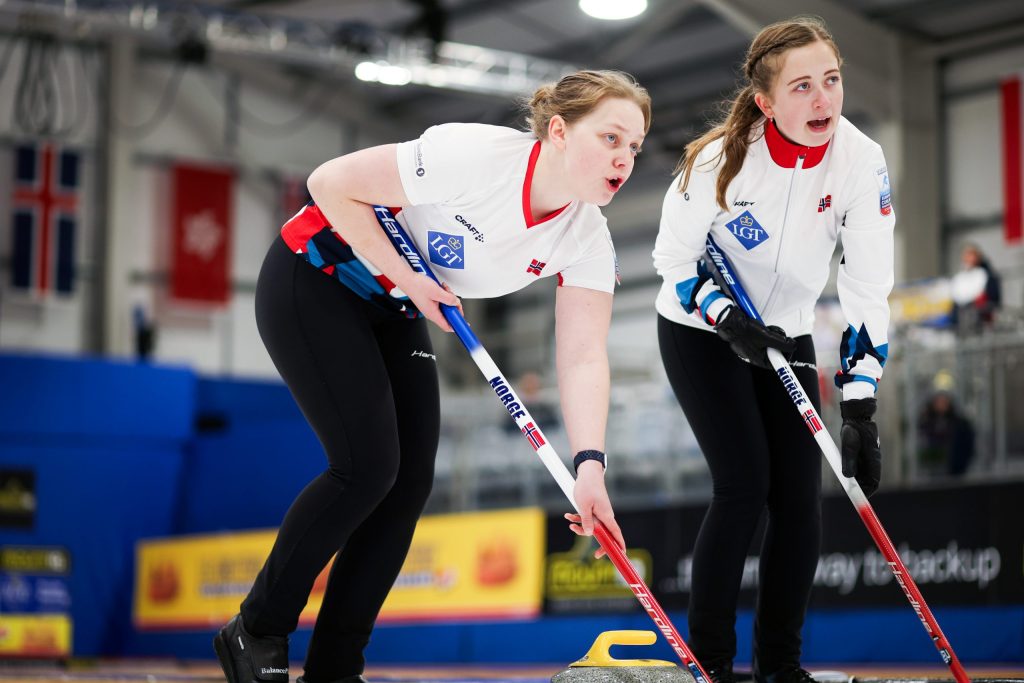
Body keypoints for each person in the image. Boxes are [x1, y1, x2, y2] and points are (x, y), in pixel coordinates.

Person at [213, 70, 650, 683]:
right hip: (316, 274)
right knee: (367, 467)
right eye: (611, 138)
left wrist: (590, 467)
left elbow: (582, 357)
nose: (624, 157)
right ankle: (256, 630)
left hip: (397, 307)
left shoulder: (586, 240)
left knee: (408, 483)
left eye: (634, 145)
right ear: (559, 131)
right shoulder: (476, 156)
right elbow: (329, 185)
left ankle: (336, 668)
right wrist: (409, 278)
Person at [652, 17, 894, 683]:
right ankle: (710, 665)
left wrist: (861, 401)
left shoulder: (860, 159)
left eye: (833, 81)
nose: (823, 100)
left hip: (785, 334)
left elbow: (868, 285)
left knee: (798, 498)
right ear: (766, 101)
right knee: (743, 483)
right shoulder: (716, 160)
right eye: (803, 87)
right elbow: (671, 260)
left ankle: (780, 668)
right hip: (701, 329)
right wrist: (725, 316)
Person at [949, 243, 1001, 335]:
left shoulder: (986, 275)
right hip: (962, 320)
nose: (968, 258)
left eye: (971, 255)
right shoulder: (960, 277)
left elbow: (993, 298)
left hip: (979, 318)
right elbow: (956, 299)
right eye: (966, 255)